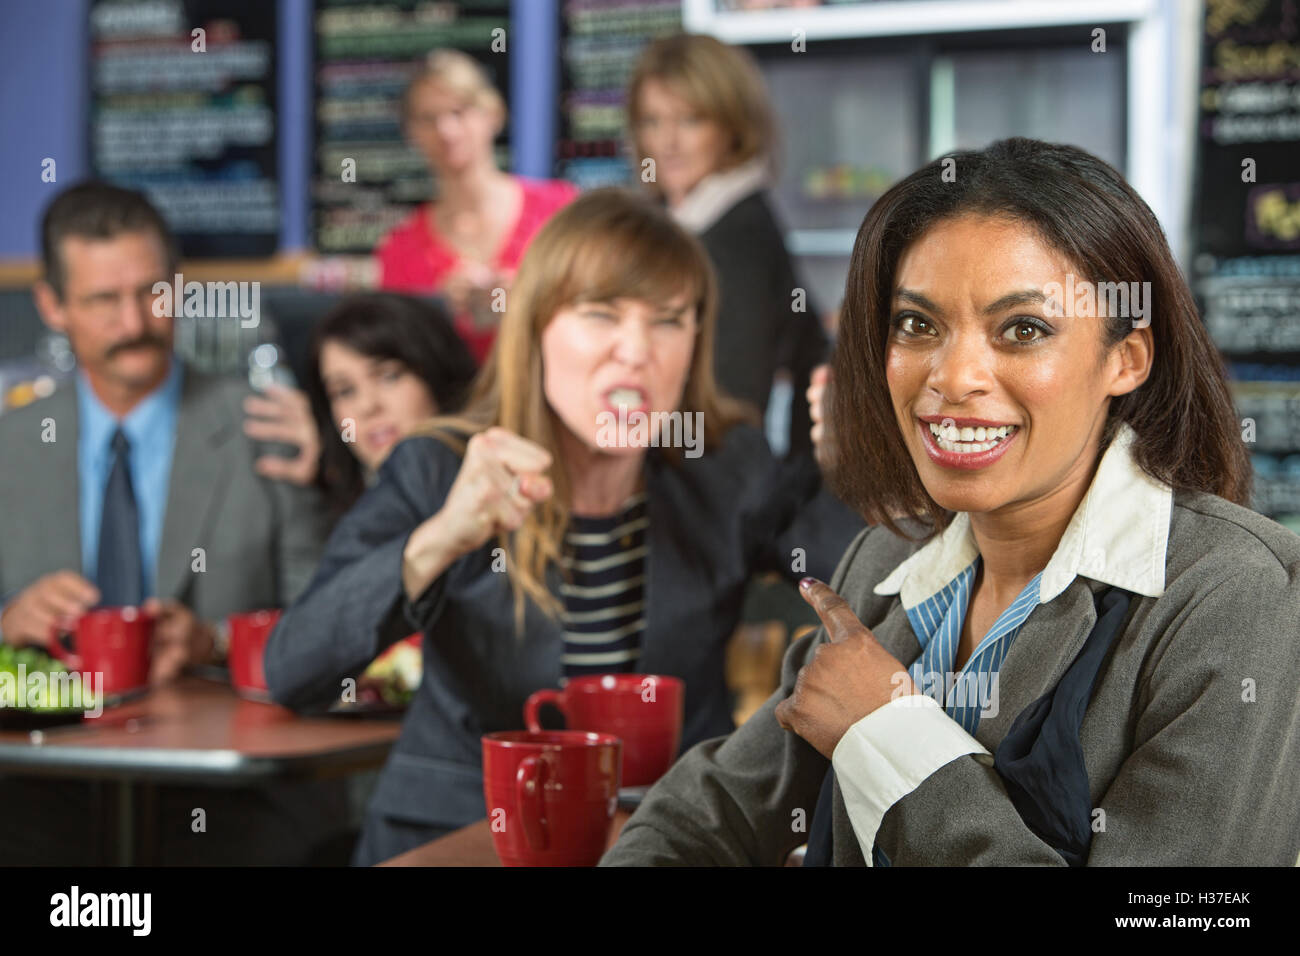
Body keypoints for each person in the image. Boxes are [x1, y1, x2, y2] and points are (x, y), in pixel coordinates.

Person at [601, 138, 1300, 867]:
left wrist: (890, 737)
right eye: (917, 325)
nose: (953, 375)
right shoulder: (887, 556)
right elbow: (714, 811)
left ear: (1124, 359)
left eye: (1023, 330)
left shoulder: (1239, 597)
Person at [264, 186, 865, 866]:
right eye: (602, 315)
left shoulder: (724, 468)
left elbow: (867, 591)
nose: (636, 350)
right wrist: (443, 537)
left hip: (667, 843)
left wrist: (858, 464)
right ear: (537, 328)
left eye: (669, 320)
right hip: (456, 839)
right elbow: (295, 669)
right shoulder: (439, 468)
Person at [0, 180, 340, 865]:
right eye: (103, 300)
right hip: (37, 788)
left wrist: (215, 644)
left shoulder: (267, 429)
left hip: (231, 796)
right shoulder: (10, 444)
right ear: (52, 306)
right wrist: (6, 624)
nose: (135, 323)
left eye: (153, 293)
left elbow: (332, 627)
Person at [628, 32, 829, 459]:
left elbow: (731, 406)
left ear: (732, 127)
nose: (668, 143)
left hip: (707, 490)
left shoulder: (737, 240)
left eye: (690, 120)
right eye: (652, 121)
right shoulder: (688, 223)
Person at [377, 48, 579, 364]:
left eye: (459, 111)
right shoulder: (399, 251)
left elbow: (606, 304)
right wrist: (438, 315)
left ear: (492, 115)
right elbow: (399, 361)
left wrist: (533, 298)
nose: (447, 131)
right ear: (411, 133)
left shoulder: (561, 209)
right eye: (428, 119)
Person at [301, 293, 479, 521]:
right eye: (344, 391)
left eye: (389, 376)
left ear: (437, 374)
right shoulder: (331, 510)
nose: (368, 406)